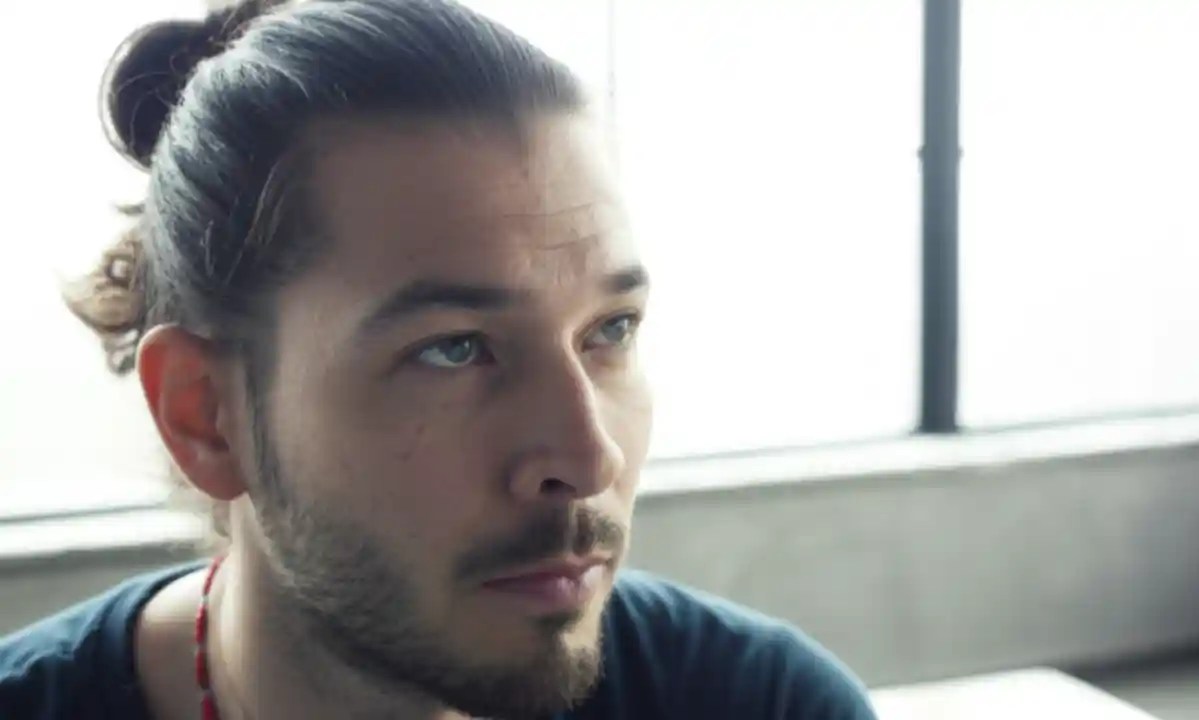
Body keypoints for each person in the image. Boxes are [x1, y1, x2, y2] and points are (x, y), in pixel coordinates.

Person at [0, 1, 878, 718]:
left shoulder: (759, 703)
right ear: (206, 414)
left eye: (609, 331)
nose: (587, 457)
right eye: (455, 349)